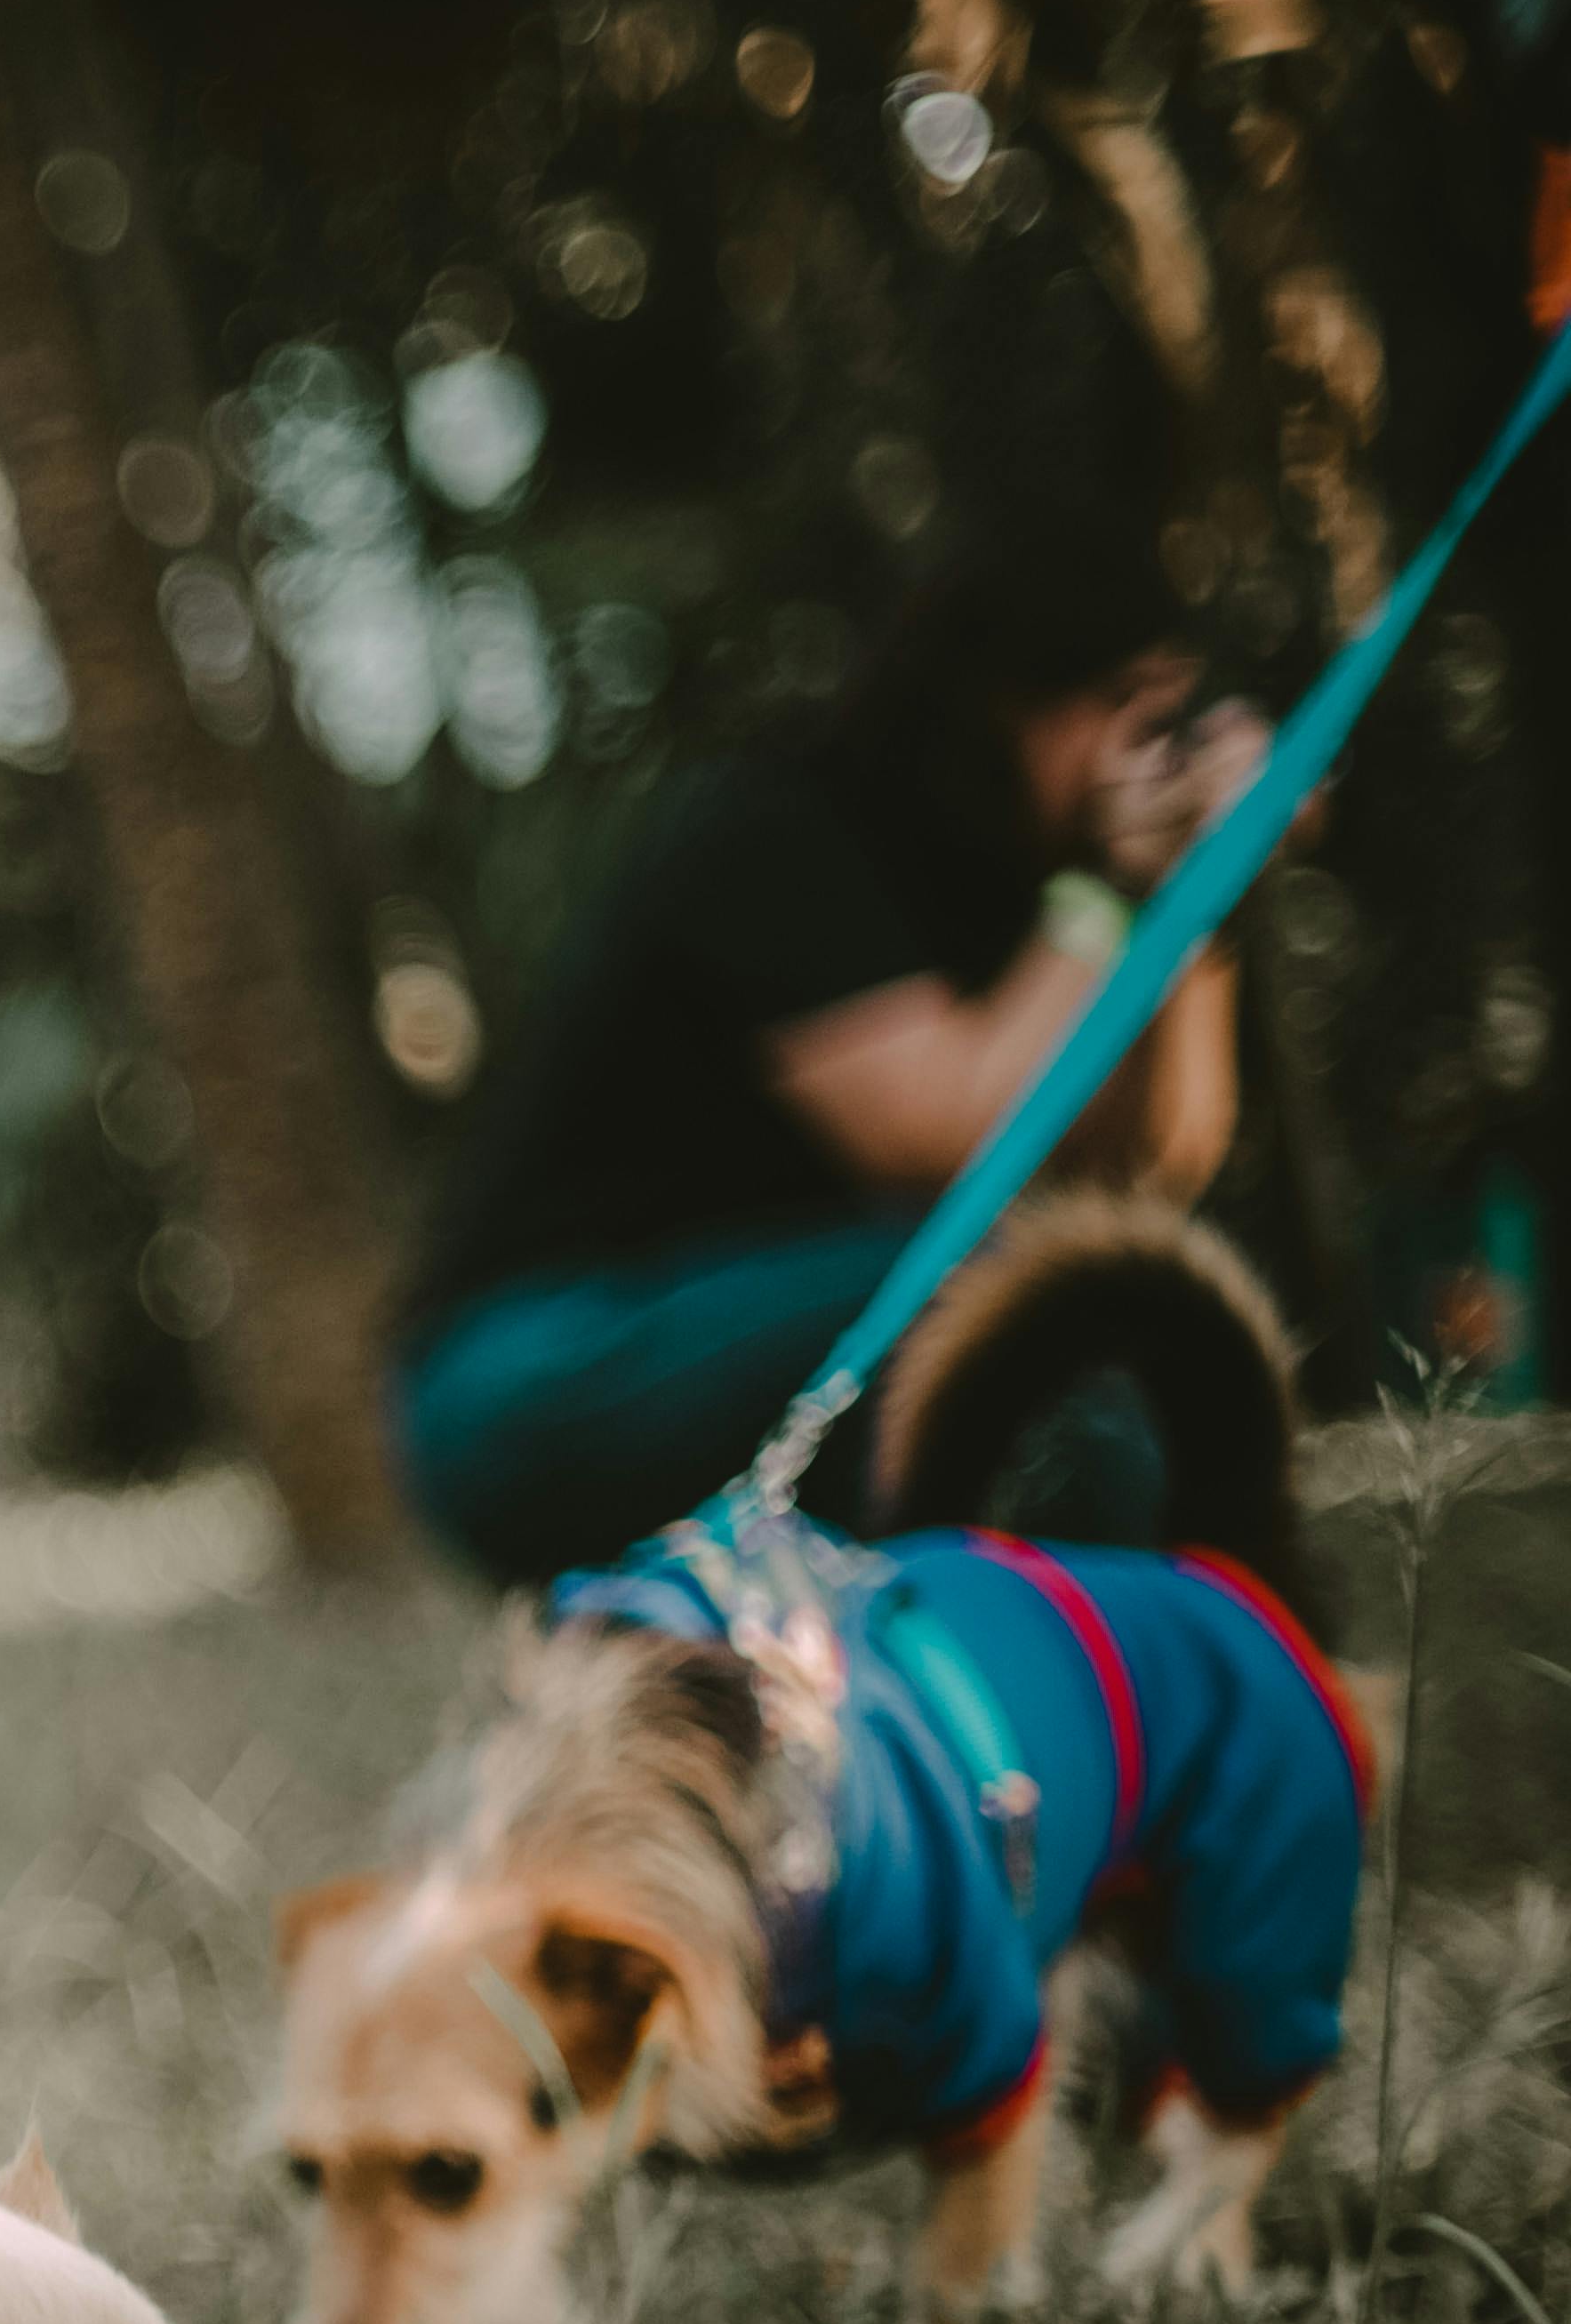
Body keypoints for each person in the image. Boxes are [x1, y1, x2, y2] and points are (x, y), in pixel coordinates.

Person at [389, 533, 1275, 1582]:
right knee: (1034, 1320)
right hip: (526, 1378)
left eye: (1176, 717)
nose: (1152, 751)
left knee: (1099, 1304)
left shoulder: (1028, 904)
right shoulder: (780, 835)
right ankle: (1105, 1691)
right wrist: (1116, 893)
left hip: (748, 1339)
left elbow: (1149, 1171)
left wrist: (1199, 898)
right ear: (1006, 701)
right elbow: (953, 1149)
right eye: (1127, 706)